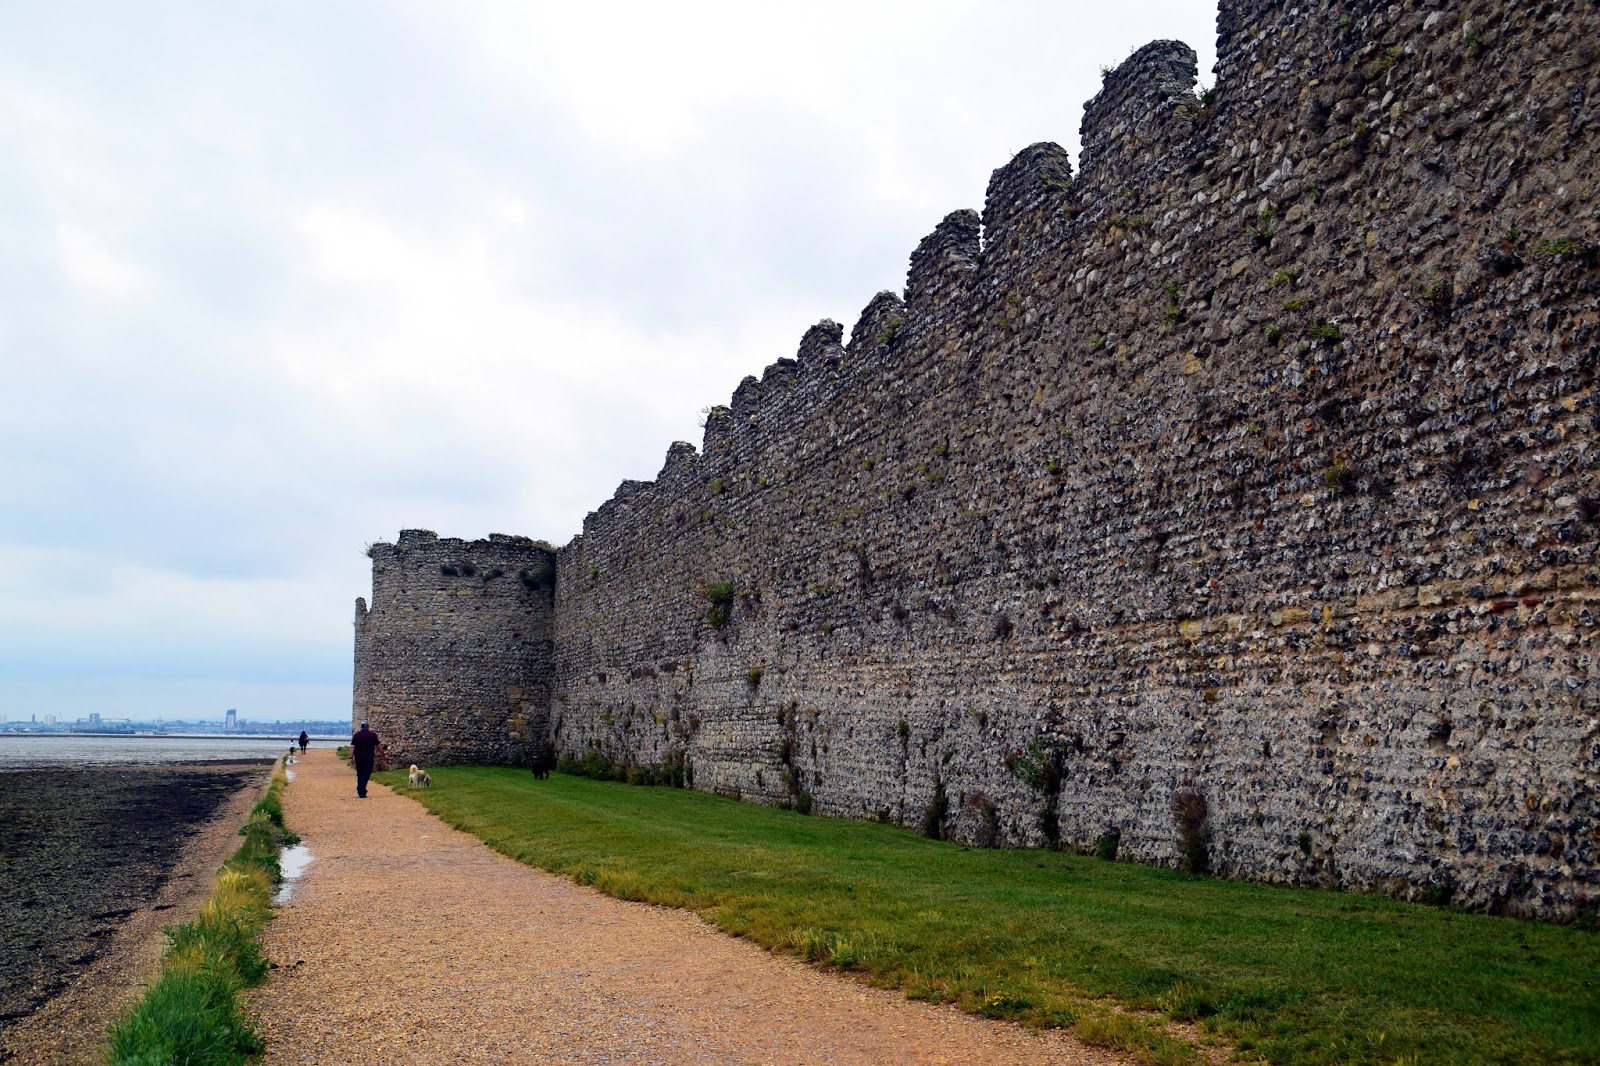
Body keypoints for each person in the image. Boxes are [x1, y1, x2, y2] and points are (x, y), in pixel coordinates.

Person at [351, 721, 380, 798]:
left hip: (359, 758)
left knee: (360, 775)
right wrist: (384, 756)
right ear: (368, 727)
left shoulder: (356, 735)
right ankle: (361, 790)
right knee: (366, 774)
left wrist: (351, 757)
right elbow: (379, 747)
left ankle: (361, 790)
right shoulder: (373, 735)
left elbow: (352, 747)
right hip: (369, 758)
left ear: (361, 727)